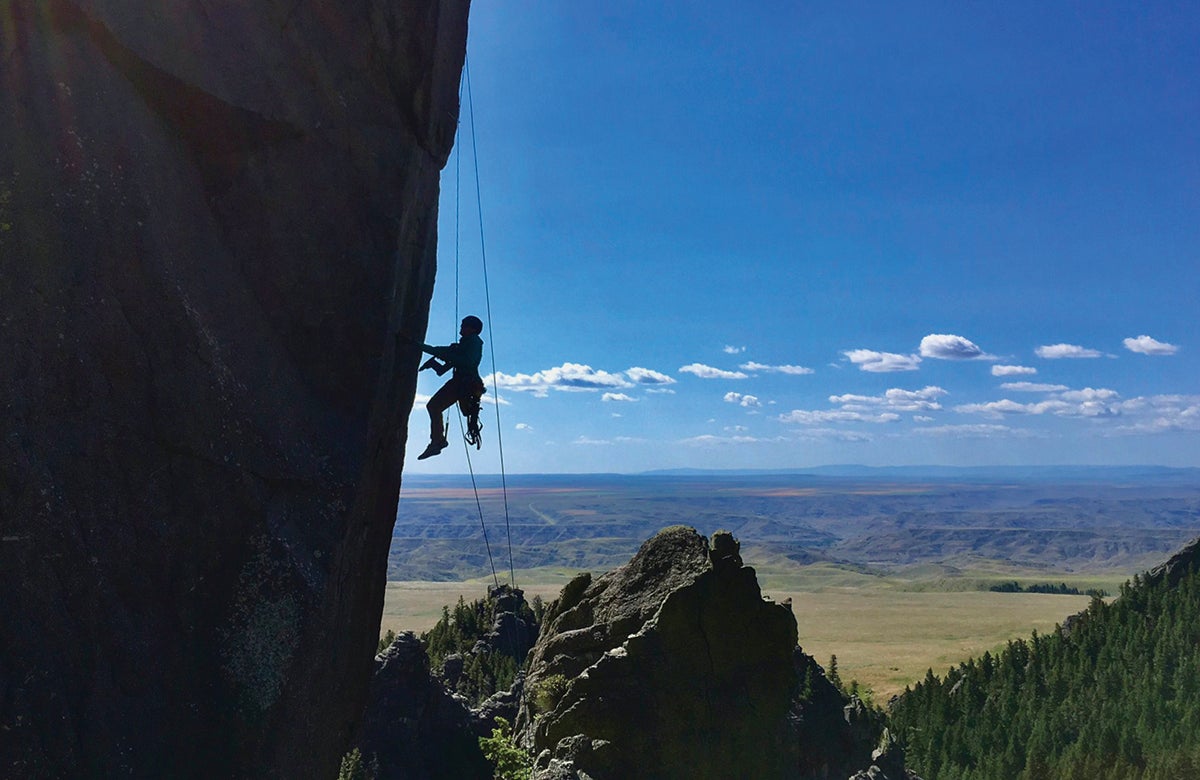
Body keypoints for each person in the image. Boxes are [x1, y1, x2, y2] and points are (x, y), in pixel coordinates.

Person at [415, 315, 484, 459]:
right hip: (464, 384)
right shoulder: (465, 344)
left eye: (464, 325)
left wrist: (445, 355)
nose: (461, 328)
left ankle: (438, 441)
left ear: (472, 329)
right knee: (436, 407)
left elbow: (468, 362)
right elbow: (441, 359)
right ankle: (437, 441)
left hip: (464, 383)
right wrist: (429, 355)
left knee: (434, 407)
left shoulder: (473, 342)